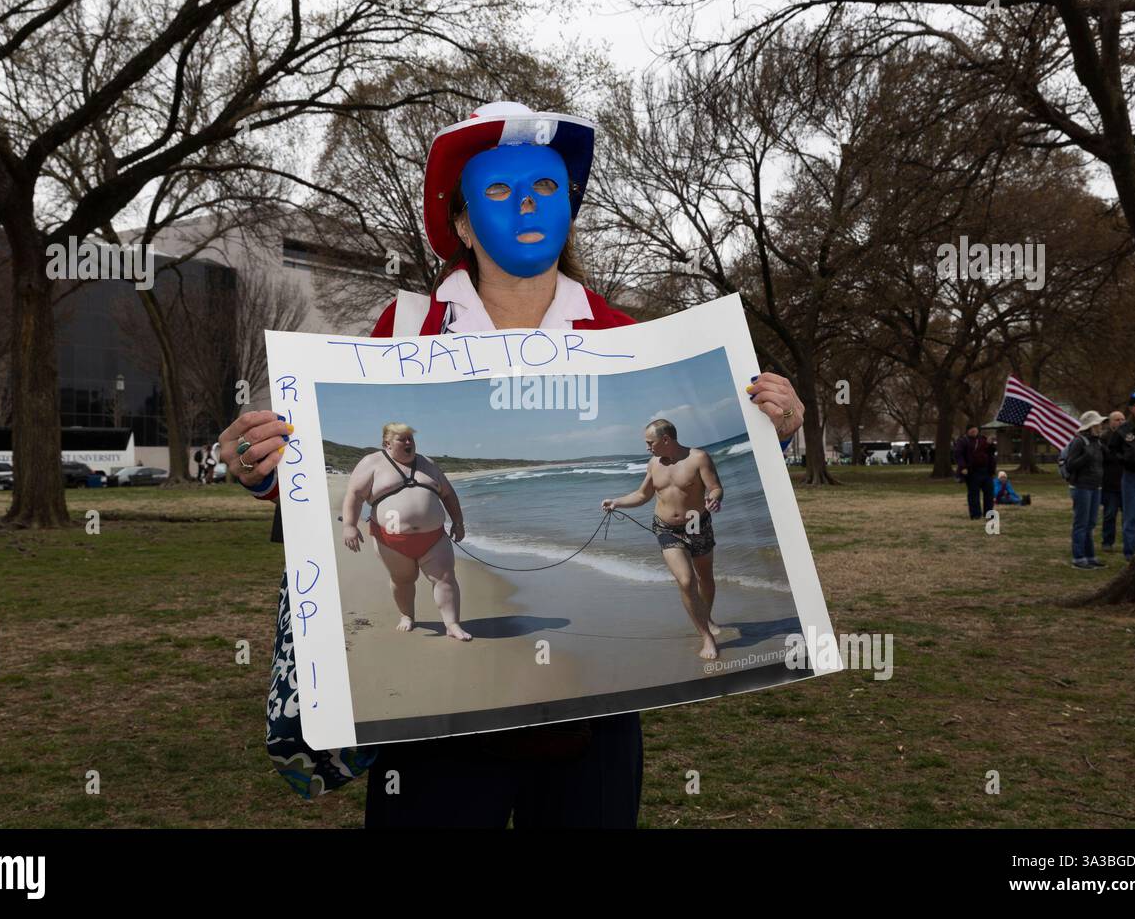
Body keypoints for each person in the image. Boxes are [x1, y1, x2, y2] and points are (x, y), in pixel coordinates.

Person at [214, 101, 806, 828]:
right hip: (436, 733)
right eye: (498, 191)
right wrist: (262, 464)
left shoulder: (631, 335)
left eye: (547, 188)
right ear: (461, 223)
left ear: (570, 208)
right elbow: (325, 472)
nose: (527, 204)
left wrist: (772, 431)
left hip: (591, 726)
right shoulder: (403, 328)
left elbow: (688, 460)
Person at [601, 419, 724, 661]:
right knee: (686, 580)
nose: (648, 447)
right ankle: (706, 636)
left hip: (697, 523)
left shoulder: (698, 458)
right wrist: (616, 501)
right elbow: (641, 495)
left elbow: (716, 487)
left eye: (650, 442)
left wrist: (715, 498)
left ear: (666, 439)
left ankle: (706, 616)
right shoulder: (653, 464)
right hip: (666, 528)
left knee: (705, 578)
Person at [340, 423, 469, 640]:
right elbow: (354, 495)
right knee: (403, 579)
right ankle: (406, 616)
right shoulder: (372, 463)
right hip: (391, 540)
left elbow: (447, 494)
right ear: (387, 443)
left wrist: (458, 521)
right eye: (403, 439)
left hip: (434, 538)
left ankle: (452, 624)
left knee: (445, 578)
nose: (409, 443)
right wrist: (349, 526)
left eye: (411, 438)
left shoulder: (428, 463)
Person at [1063, 410, 1106, 570]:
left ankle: (1090, 556)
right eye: (1098, 424)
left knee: (1091, 523)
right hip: (1081, 487)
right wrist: (1085, 457)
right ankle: (1078, 557)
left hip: (1095, 486)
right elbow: (1070, 464)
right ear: (1091, 426)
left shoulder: (1097, 442)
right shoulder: (1079, 442)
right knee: (1081, 523)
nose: (1101, 426)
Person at [1107, 395, 1135, 561]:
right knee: (1131, 516)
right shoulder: (1124, 429)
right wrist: (1124, 460)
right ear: (1131, 408)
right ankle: (1131, 554)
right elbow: (1112, 449)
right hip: (1132, 477)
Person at [954, 424, 996, 520]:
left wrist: (990, 444)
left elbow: (991, 452)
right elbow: (958, 454)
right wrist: (963, 467)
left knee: (989, 493)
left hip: (986, 470)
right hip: (973, 471)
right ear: (968, 431)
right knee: (974, 494)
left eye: (975, 430)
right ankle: (975, 514)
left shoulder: (983, 439)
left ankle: (989, 513)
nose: (974, 432)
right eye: (971, 430)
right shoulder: (963, 441)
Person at [1099, 410, 1126, 551]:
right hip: (1110, 483)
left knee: (1128, 516)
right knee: (1110, 514)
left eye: (1122, 419)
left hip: (1127, 483)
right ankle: (1107, 542)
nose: (1120, 422)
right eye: (1117, 419)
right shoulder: (1104, 438)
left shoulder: (1129, 437)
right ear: (1110, 422)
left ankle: (1129, 544)